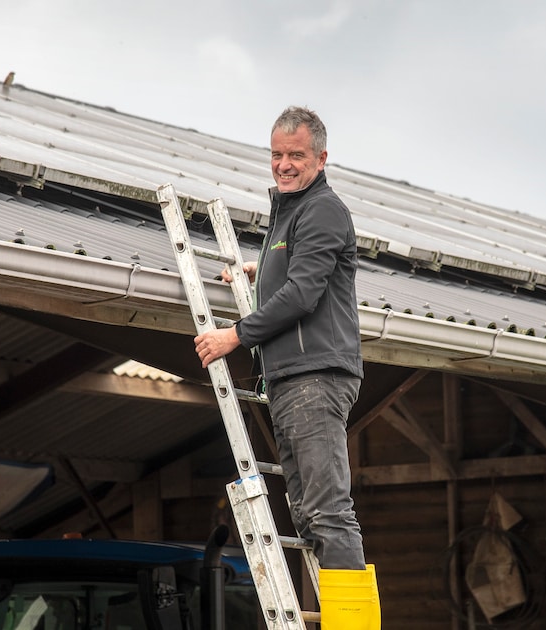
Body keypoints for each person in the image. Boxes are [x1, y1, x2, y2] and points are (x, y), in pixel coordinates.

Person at [194, 106, 380, 628]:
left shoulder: (321, 210)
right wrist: (261, 270)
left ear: (322, 158)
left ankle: (354, 626)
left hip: (314, 375)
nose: (284, 164)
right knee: (308, 514)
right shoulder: (291, 214)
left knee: (327, 513)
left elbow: (303, 294)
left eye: (296, 155)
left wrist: (233, 335)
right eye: (276, 154)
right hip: (294, 378)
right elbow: (295, 272)